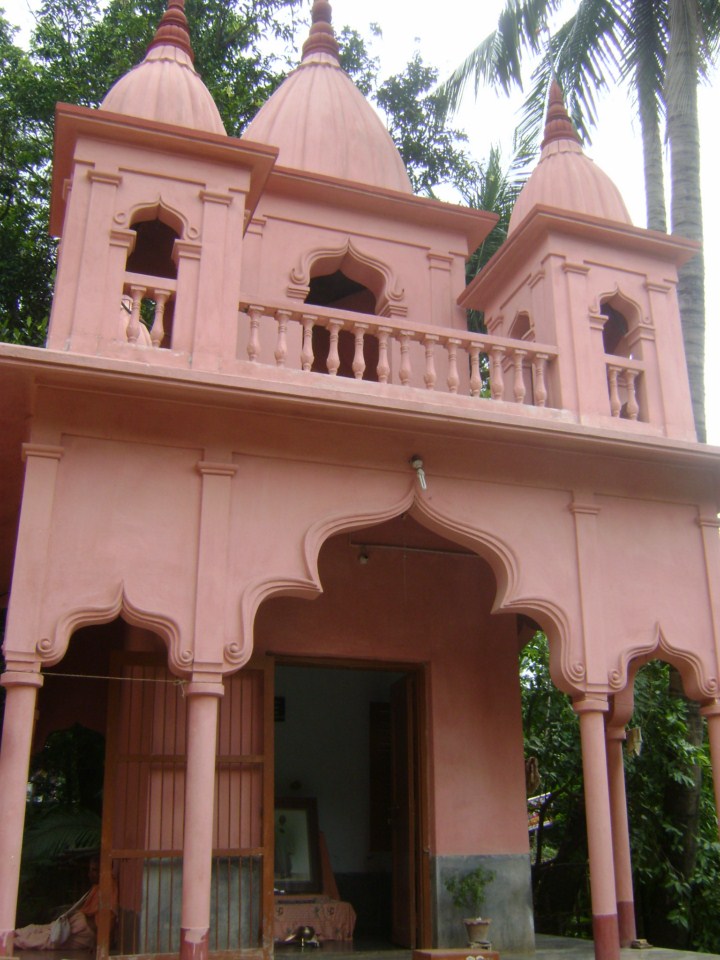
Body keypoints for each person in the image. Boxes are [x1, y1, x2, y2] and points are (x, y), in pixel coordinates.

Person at [14, 859, 117, 951]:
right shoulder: (101, 885)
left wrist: (102, 942)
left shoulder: (106, 885)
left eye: (94, 870)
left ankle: (12, 936)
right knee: (49, 939)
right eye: (90, 870)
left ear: (103, 870)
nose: (89, 874)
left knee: (47, 932)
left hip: (84, 926)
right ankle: (12, 941)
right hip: (84, 926)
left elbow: (107, 917)